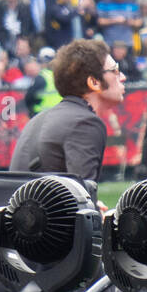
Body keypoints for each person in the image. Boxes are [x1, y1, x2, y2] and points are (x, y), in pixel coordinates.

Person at [8, 39, 125, 187]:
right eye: (114, 70)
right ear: (93, 82)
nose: (122, 77)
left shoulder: (38, 120)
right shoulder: (85, 123)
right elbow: (82, 199)